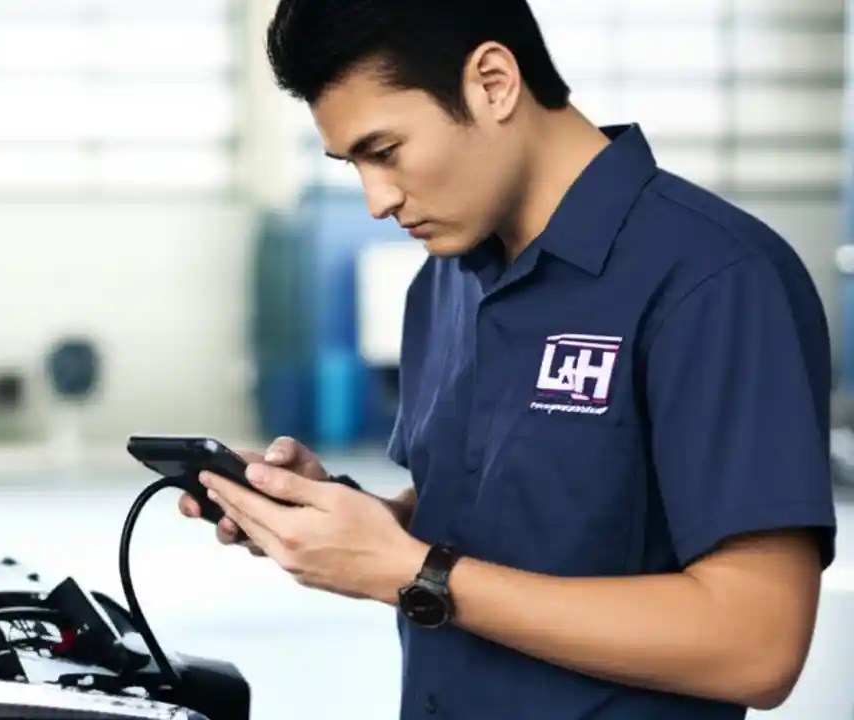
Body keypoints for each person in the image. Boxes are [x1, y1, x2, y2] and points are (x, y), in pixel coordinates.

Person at [185, 3, 837, 719]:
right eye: (353, 165)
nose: (377, 200)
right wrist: (344, 523)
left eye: (386, 150)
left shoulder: (714, 280)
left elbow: (756, 645)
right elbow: (487, 524)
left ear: (493, 82)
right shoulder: (443, 285)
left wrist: (413, 572)